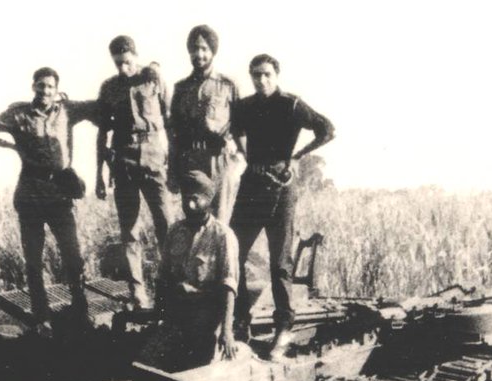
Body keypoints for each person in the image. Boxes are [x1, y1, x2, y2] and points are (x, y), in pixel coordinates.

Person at [0, 67, 97, 331]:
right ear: (34, 87)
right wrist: (10, 146)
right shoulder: (18, 114)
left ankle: (80, 309)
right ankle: (42, 317)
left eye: (50, 87)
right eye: (41, 86)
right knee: (33, 259)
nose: (45, 91)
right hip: (30, 191)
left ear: (56, 89)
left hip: (60, 192)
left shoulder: (67, 110)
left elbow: (98, 107)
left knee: (73, 256)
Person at [229, 53, 335, 357]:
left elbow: (327, 129)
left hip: (282, 187)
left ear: (276, 75)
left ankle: (284, 328)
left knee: (280, 264)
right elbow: (236, 129)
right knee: (233, 252)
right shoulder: (245, 106)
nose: (261, 80)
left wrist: (297, 157)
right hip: (251, 184)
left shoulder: (291, 104)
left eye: (266, 74)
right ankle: (239, 322)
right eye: (256, 75)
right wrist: (245, 154)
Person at [95, 35, 170, 309]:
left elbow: (170, 121)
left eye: (127, 62)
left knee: (167, 226)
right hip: (123, 159)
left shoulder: (153, 79)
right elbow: (102, 133)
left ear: (135, 57)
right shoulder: (109, 88)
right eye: (118, 64)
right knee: (130, 231)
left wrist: (172, 160)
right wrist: (99, 176)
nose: (123, 68)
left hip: (153, 156)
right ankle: (138, 293)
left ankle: (171, 289)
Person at [139, 170, 239, 371]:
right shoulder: (175, 231)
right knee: (147, 364)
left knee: (196, 370)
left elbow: (229, 287)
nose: (188, 203)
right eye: (185, 197)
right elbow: (163, 275)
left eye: (194, 198)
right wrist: (159, 315)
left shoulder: (222, 236)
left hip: (207, 316)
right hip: (177, 315)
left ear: (208, 200)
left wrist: (227, 331)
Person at [169, 25, 242, 225]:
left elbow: (240, 124)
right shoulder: (181, 88)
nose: (199, 54)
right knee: (194, 220)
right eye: (194, 49)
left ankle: (221, 257)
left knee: (219, 223)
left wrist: (243, 158)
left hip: (219, 161)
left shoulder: (228, 85)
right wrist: (173, 171)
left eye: (204, 49)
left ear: (212, 51)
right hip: (190, 161)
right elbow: (173, 133)